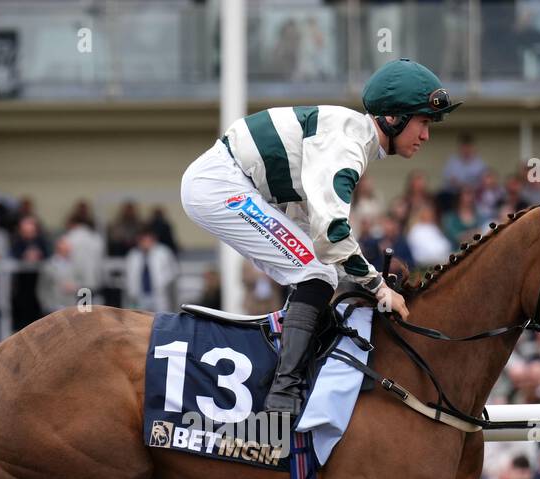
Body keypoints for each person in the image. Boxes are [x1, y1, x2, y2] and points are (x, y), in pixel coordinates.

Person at [180, 58, 459, 423]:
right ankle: (283, 395)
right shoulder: (347, 146)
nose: (426, 135)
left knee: (319, 270)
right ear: (393, 118)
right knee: (316, 272)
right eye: (423, 122)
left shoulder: (350, 136)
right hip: (222, 185)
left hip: (234, 182)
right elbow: (332, 234)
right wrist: (378, 287)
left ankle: (290, 374)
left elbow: (319, 226)